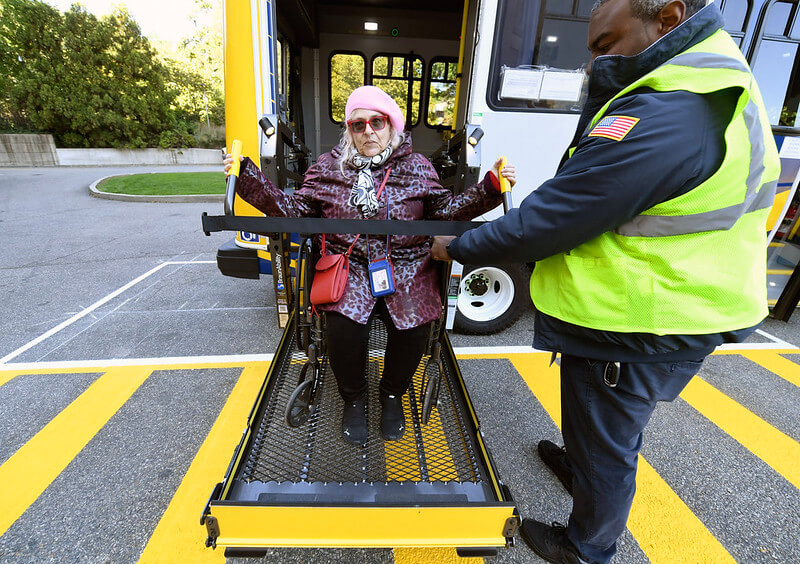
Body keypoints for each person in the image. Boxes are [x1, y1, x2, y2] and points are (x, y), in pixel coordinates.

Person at [431, 0, 779, 561]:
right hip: (662, 301)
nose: (593, 62)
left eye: (606, 44)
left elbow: (559, 215)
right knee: (599, 423)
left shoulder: (673, 110)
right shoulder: (702, 84)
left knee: (611, 441)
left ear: (667, 18)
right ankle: (582, 463)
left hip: (644, 313)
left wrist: (462, 245)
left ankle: (586, 546)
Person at [225, 85, 515, 446]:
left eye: (376, 122)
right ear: (349, 130)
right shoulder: (329, 168)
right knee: (343, 328)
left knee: (413, 327)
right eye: (358, 125)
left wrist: (489, 187)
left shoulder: (417, 167)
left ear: (392, 125)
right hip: (351, 266)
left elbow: (445, 211)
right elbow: (294, 211)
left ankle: (391, 394)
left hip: (407, 264)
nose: (368, 132)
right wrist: (247, 179)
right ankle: (354, 398)